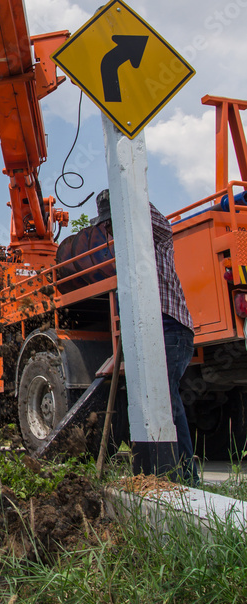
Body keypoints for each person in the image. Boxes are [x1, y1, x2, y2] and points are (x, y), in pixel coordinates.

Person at [93, 190, 199, 484]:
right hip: (150, 329)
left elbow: (151, 216)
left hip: (171, 328)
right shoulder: (127, 261)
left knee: (164, 397)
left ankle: (185, 478)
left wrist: (127, 187)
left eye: (115, 221)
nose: (112, 230)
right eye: (109, 225)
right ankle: (162, 474)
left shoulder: (155, 241)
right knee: (154, 398)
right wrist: (120, 352)